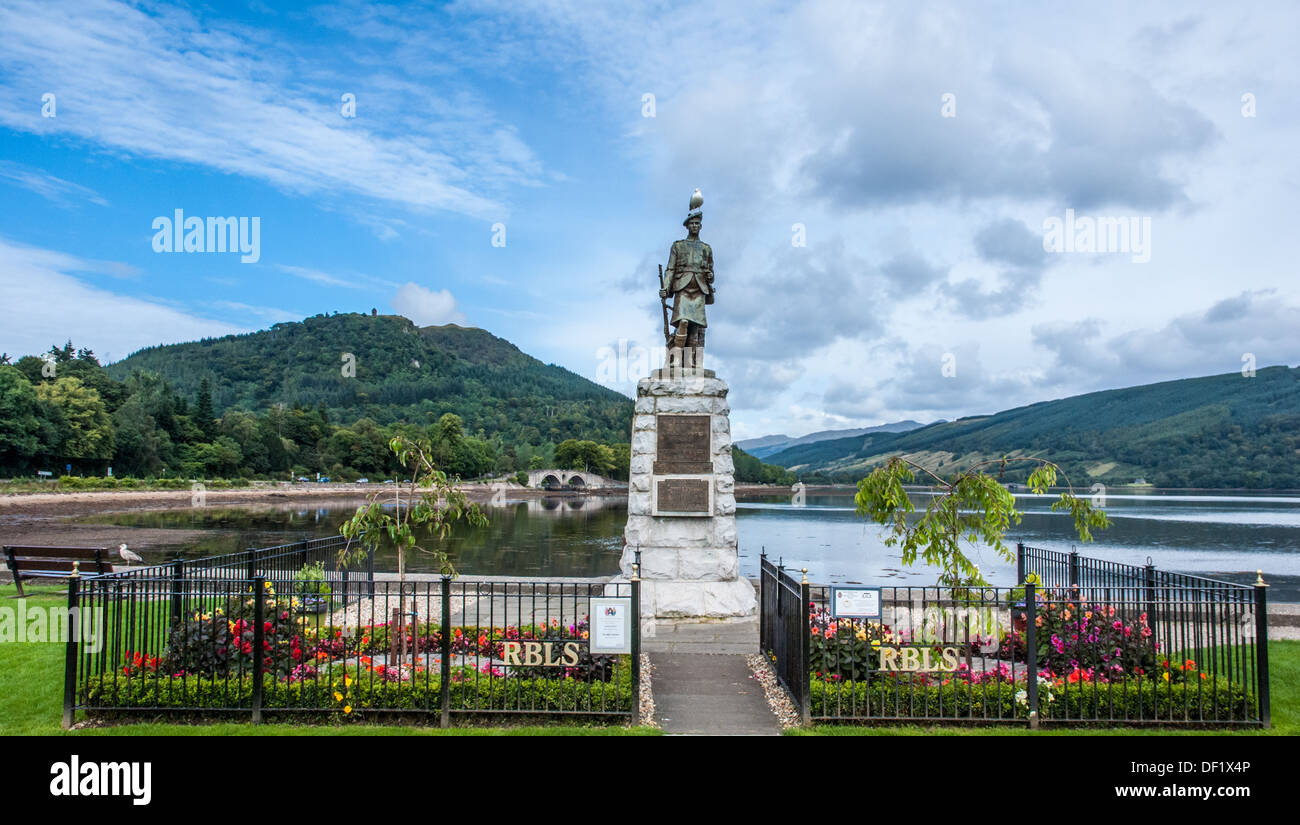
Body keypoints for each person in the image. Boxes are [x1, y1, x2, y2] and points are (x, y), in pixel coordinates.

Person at [660, 209, 714, 367]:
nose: (695, 226)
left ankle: (691, 362)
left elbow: (711, 271)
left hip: (699, 288)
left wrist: (710, 276)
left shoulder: (706, 249)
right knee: (683, 322)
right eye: (692, 223)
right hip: (683, 288)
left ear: (701, 226)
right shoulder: (678, 246)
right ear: (687, 226)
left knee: (695, 328)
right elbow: (670, 269)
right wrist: (665, 287)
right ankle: (676, 358)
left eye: (697, 223)